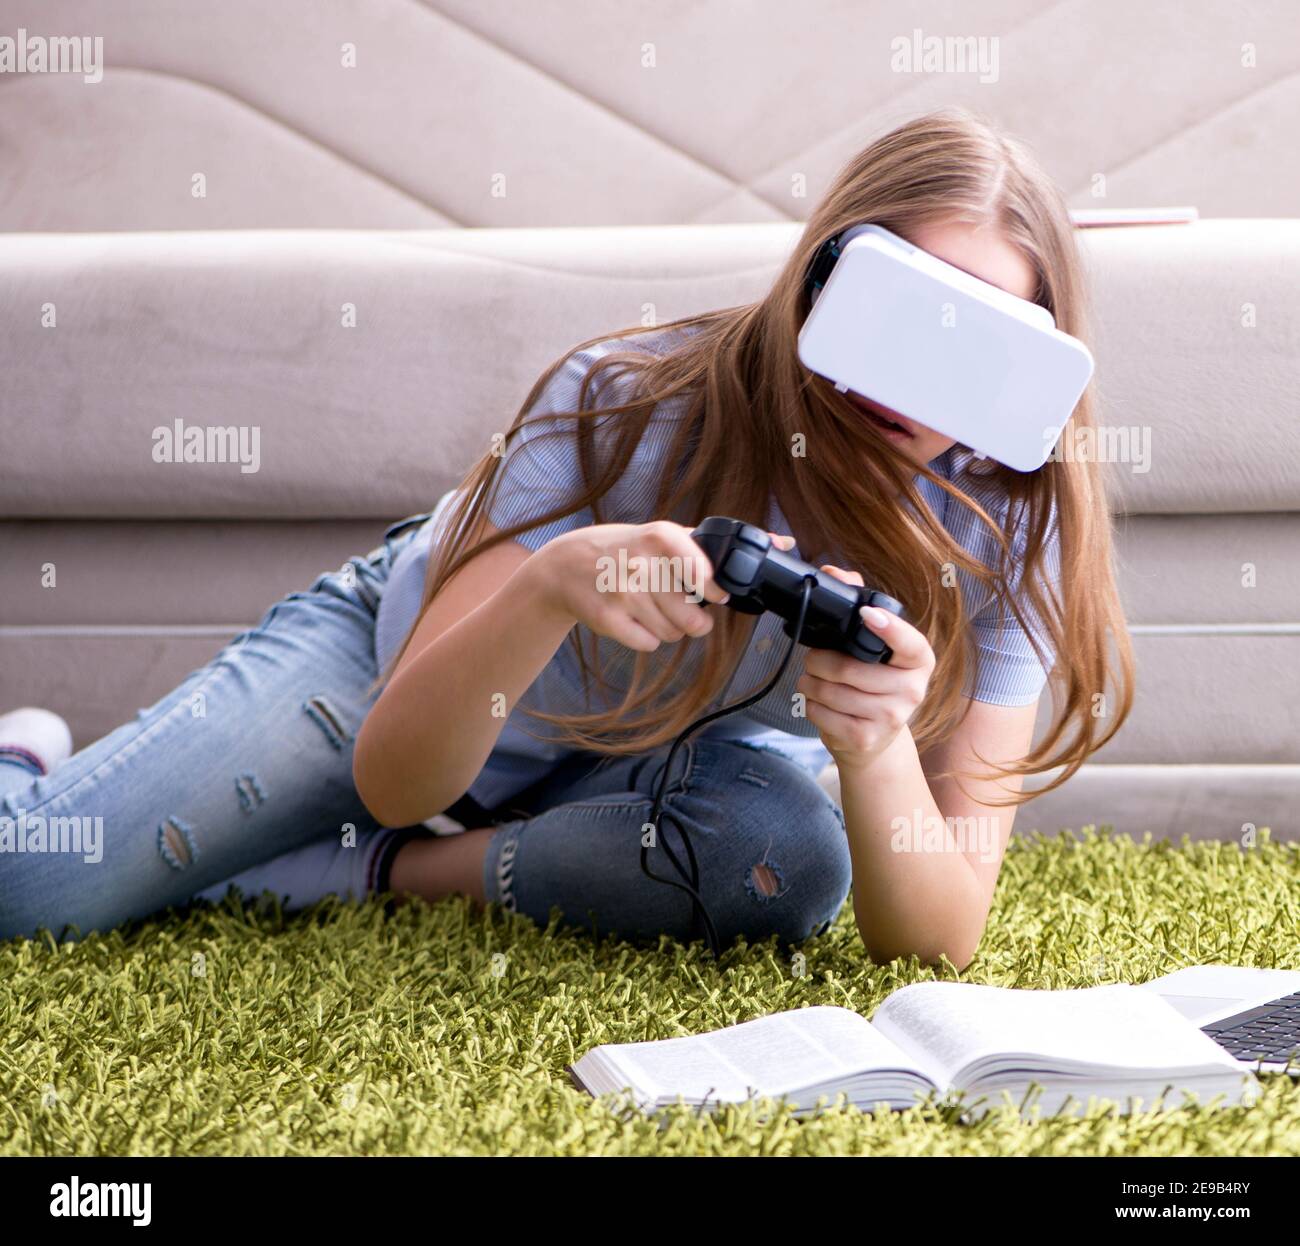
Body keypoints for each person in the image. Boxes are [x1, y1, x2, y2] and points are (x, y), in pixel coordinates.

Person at [0, 109, 1133, 966]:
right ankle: (31, 759)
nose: (913, 388)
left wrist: (877, 750)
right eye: (902, 309)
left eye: (974, 345)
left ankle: (359, 878)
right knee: (25, 888)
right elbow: (397, 776)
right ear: (822, 276)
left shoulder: (1007, 525)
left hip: (636, 767)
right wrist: (545, 590)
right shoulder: (623, 400)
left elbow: (936, 943)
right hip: (401, 687)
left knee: (778, 856)